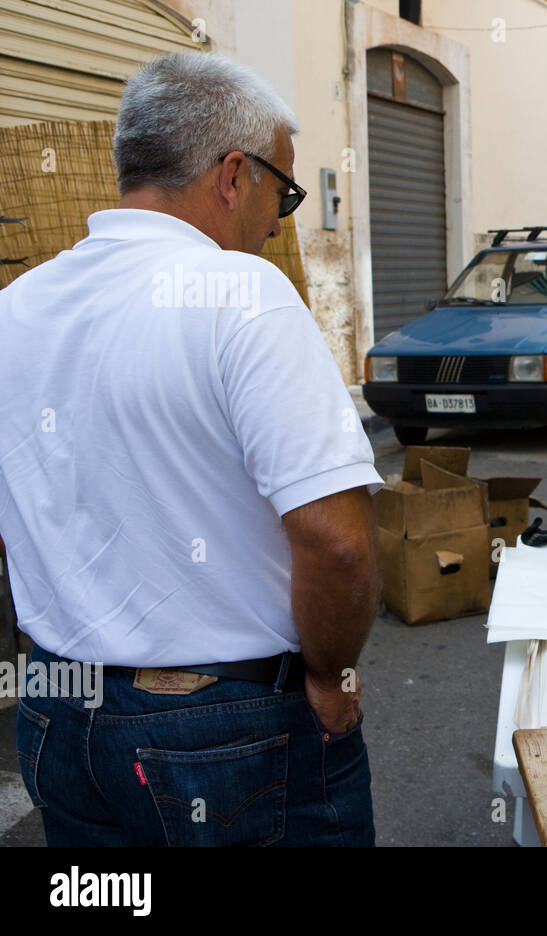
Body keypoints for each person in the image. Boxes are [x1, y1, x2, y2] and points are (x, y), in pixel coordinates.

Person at [0, 53, 383, 846]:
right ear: (233, 174)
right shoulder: (243, 296)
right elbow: (337, 543)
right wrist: (328, 671)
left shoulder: (17, 308)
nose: (280, 219)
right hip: (227, 734)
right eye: (283, 189)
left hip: (58, 716)